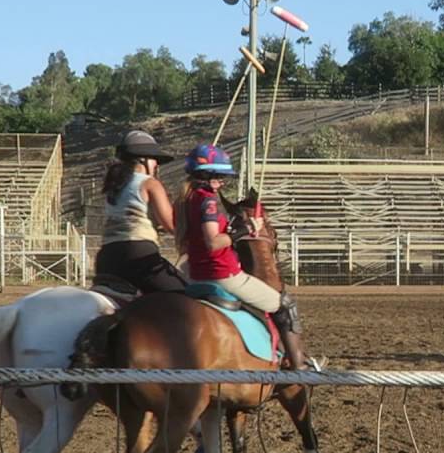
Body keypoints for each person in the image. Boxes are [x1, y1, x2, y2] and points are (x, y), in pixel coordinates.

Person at [179, 143, 316, 370]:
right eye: (220, 176)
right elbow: (213, 242)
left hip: (195, 276)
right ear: (209, 175)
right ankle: (298, 367)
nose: (223, 182)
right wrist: (247, 230)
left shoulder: (186, 199)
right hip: (222, 274)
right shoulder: (208, 201)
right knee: (285, 304)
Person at [94, 130, 187, 293]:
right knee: (185, 297)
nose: (156, 165)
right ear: (142, 160)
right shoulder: (150, 183)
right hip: (138, 254)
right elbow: (172, 225)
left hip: (106, 258)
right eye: (154, 160)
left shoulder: (114, 186)